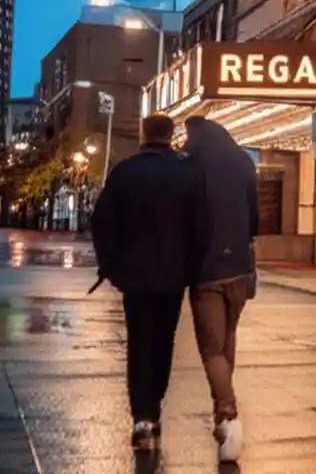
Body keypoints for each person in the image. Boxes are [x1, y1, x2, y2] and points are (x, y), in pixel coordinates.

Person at [90, 114, 199, 450]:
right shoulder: (187, 174)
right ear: (171, 135)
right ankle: (154, 407)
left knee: (139, 344)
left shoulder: (125, 172)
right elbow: (199, 227)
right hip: (173, 276)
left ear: (143, 134)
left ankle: (142, 416)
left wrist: (111, 266)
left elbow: (101, 221)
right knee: (163, 343)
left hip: (135, 278)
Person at [183, 116, 258, 463]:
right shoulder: (243, 161)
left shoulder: (193, 164)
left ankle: (228, 415)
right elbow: (256, 220)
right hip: (240, 268)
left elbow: (186, 218)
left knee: (211, 348)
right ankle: (220, 418)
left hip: (207, 269)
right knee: (228, 339)